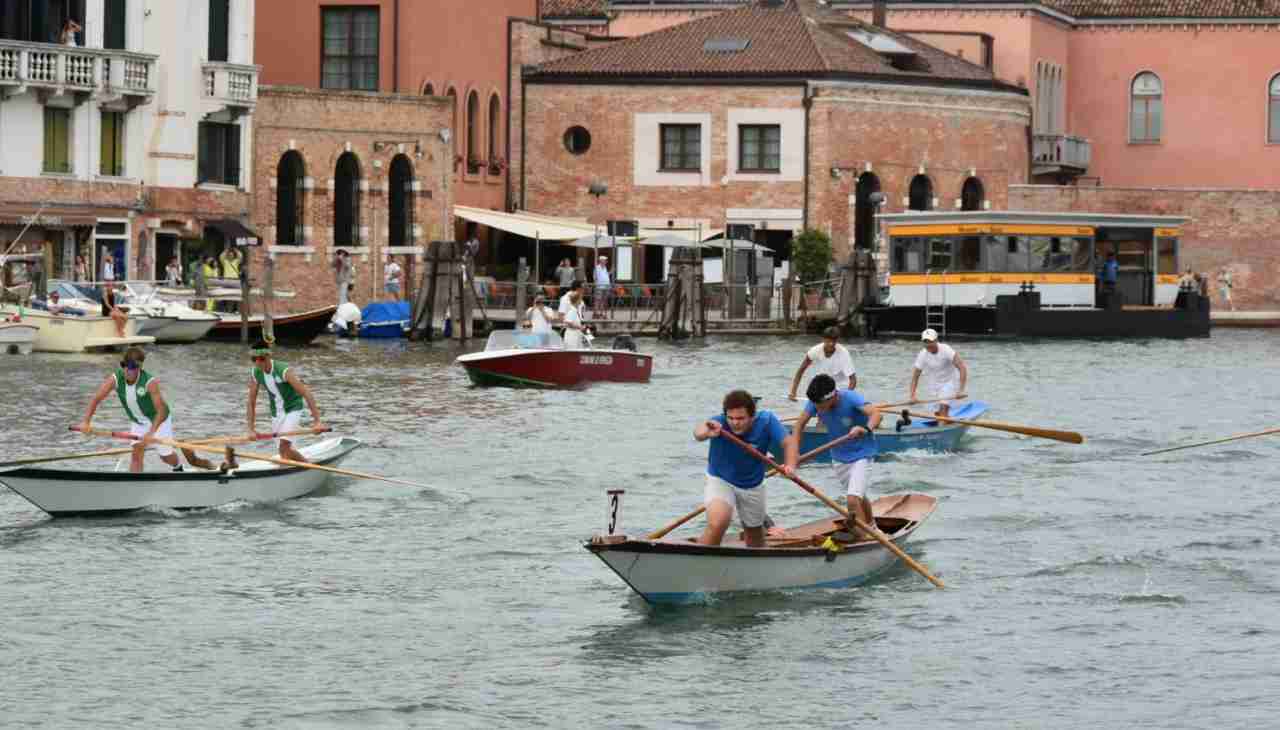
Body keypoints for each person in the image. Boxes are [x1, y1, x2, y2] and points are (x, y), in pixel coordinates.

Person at [75, 347, 216, 473]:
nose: (127, 370)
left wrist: (151, 433)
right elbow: (96, 399)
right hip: (138, 421)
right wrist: (86, 422)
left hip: (159, 420)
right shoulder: (115, 379)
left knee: (166, 457)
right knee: (136, 452)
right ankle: (133, 487)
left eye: (131, 367)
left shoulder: (150, 383)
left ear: (140, 367)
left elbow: (160, 411)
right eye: (124, 365)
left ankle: (178, 466)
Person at [694, 389, 799, 547]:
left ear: (752, 416)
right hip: (721, 479)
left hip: (752, 485)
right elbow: (698, 433)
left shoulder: (767, 421)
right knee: (718, 522)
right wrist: (706, 432)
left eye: (741, 418)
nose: (735, 423)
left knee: (755, 534)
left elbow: (789, 443)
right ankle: (701, 564)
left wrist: (790, 465)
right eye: (731, 418)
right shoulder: (717, 423)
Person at [791, 374, 882, 533]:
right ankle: (873, 528)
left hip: (862, 453)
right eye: (815, 405)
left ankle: (863, 538)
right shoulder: (815, 402)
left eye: (820, 405)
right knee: (859, 496)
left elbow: (876, 414)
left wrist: (865, 429)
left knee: (852, 500)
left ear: (831, 397)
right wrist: (795, 455)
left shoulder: (851, 397)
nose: (817, 410)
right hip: (839, 457)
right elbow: (798, 426)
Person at [247, 339, 325, 463]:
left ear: (268, 356)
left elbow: (306, 392)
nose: (258, 363)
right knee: (284, 454)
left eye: (261, 359)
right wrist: (251, 429)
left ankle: (309, 468)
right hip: (276, 412)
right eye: (254, 359)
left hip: (293, 408)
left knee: (284, 447)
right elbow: (251, 402)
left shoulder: (283, 370)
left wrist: (317, 422)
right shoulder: (255, 373)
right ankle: (303, 465)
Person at [908, 328, 968, 419]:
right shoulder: (922, 354)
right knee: (937, 414)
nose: (928, 345)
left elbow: (962, 368)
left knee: (943, 409)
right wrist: (912, 396)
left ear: (936, 340)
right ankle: (947, 421)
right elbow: (915, 377)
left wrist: (961, 390)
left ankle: (943, 425)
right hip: (934, 386)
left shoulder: (946, 350)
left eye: (930, 341)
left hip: (950, 383)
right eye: (925, 342)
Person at [787, 326, 856, 401]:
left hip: (841, 388)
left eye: (834, 341)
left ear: (837, 340)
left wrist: (845, 398)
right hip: (824, 386)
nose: (831, 344)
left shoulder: (844, 353)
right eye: (828, 341)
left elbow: (853, 380)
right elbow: (800, 371)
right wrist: (793, 392)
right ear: (823, 339)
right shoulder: (814, 350)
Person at [559, 282, 590, 349]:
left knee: (581, 349)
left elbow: (581, 315)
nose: (584, 290)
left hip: (579, 329)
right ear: (578, 289)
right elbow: (561, 316)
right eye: (583, 288)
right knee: (571, 350)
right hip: (570, 330)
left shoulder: (581, 300)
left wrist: (583, 327)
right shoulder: (565, 299)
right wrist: (575, 325)